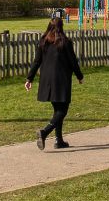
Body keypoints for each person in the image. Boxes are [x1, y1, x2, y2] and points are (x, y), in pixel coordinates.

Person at [26, 16, 84, 150]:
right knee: (62, 110)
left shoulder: (43, 42)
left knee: (57, 110)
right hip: (61, 80)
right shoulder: (65, 42)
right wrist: (79, 76)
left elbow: (36, 62)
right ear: (61, 27)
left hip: (47, 80)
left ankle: (59, 140)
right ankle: (44, 132)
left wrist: (29, 79)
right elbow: (73, 61)